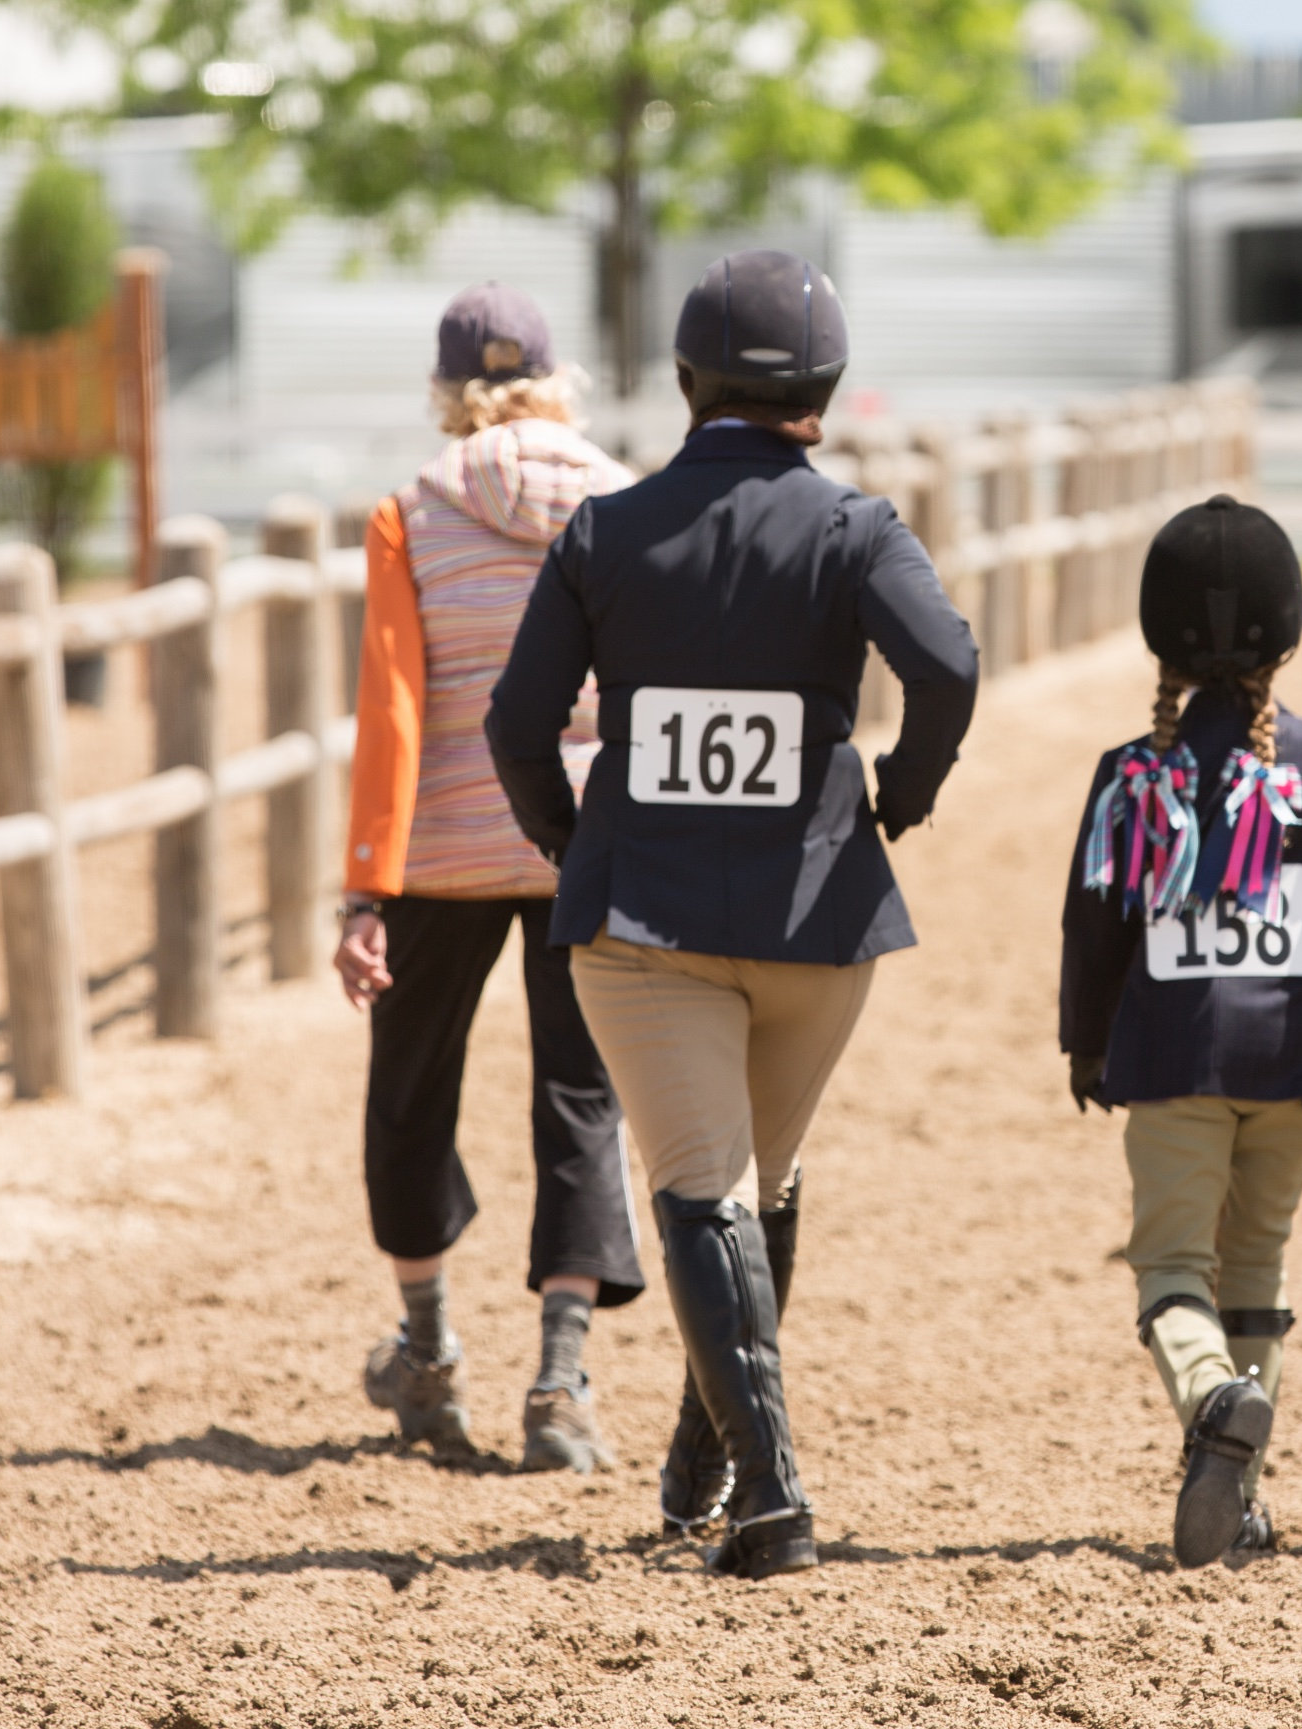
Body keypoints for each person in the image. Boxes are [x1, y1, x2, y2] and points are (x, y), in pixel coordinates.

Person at [486, 250, 979, 1581]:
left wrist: (571, 836)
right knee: (758, 1182)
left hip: (644, 923)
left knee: (703, 1190)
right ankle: (709, 1462)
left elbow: (515, 726)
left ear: (690, 381)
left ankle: (765, 1489)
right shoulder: (855, 530)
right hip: (819, 920)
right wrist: (901, 795)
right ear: (816, 399)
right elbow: (946, 665)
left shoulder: (605, 534)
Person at [1060, 496, 1302, 1569]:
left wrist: (1084, 1043)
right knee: (1260, 1270)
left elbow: (1094, 924)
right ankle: (1243, 1502)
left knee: (1169, 1268)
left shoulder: (1128, 772)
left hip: (1173, 1061)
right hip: (1290, 1062)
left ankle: (1211, 1397)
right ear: (1288, 635)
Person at [334, 283, 645, 1474]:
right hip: (589, 843)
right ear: (554, 379)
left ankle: (430, 1355)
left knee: (412, 1096)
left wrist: (367, 887)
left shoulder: (410, 512)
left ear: (448, 390)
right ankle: (559, 1385)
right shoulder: (625, 500)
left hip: (441, 850)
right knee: (582, 1100)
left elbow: (393, 712)